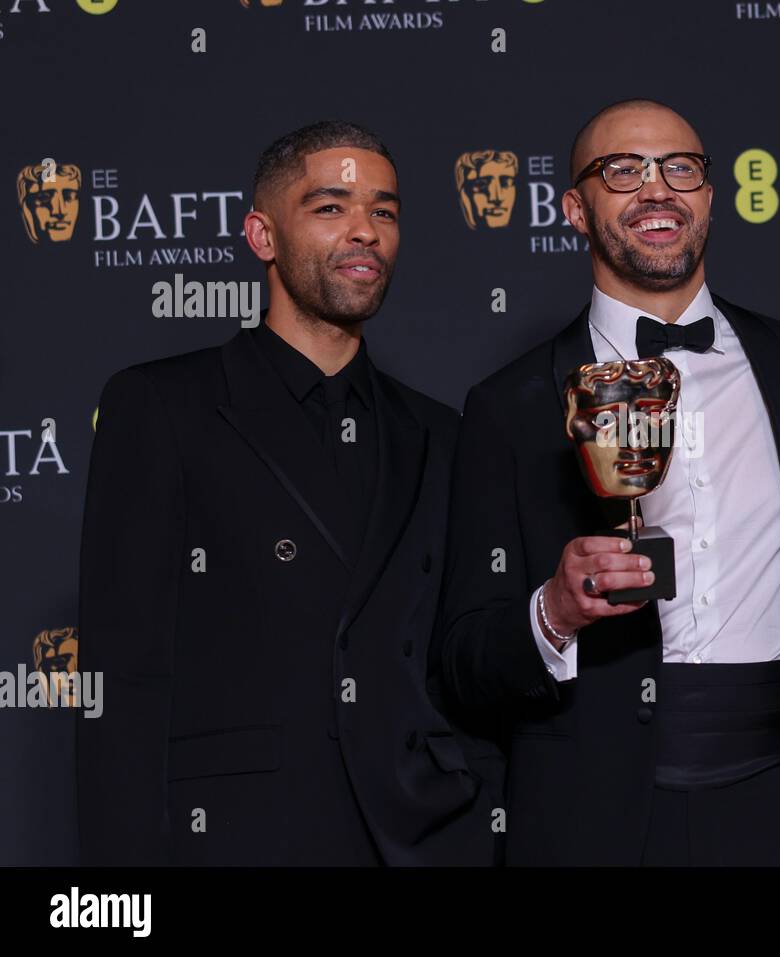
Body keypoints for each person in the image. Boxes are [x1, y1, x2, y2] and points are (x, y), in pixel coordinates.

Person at [437, 99, 780, 866]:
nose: (657, 190)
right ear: (574, 209)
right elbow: (462, 658)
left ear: (710, 195)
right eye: (622, 171)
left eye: (681, 168)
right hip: (597, 810)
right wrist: (554, 611)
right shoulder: (508, 405)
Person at [77, 121, 499, 865]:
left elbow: (455, 665)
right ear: (262, 235)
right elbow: (124, 677)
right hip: (240, 834)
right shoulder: (162, 405)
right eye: (331, 207)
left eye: (385, 211)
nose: (365, 230)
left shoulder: (442, 431)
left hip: (421, 837)